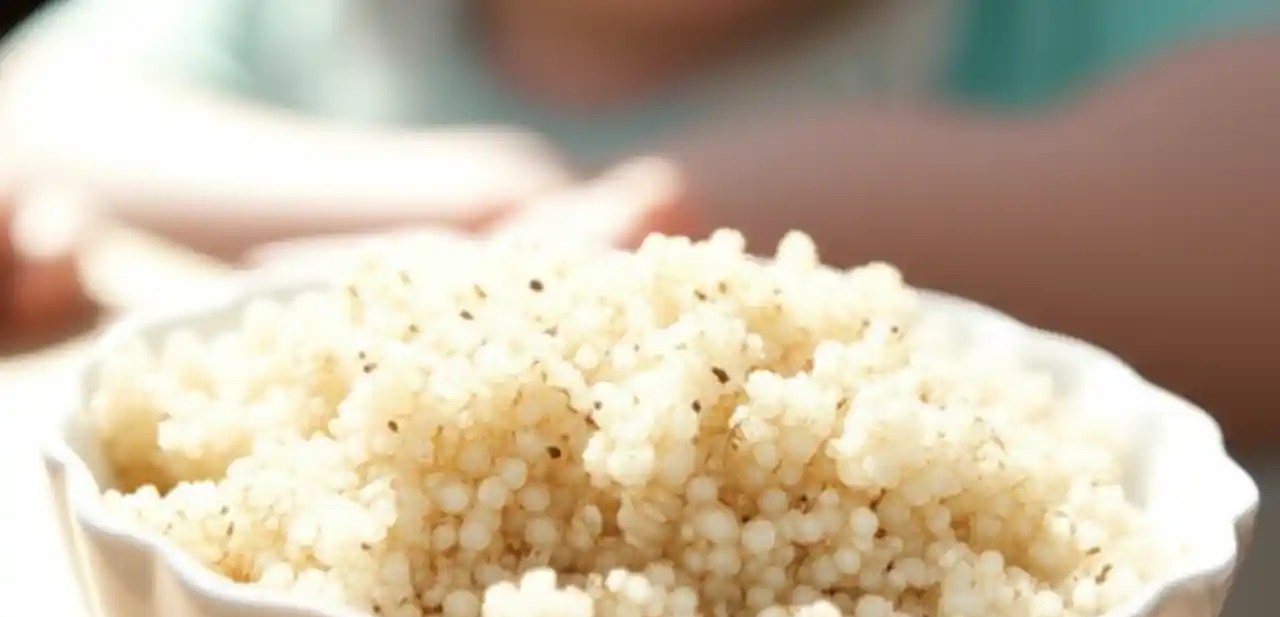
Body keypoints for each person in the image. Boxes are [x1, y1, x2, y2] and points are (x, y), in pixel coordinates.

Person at [1, 0, 1277, 443]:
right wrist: (474, 199)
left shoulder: (1043, 27)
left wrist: (658, 224)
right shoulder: (326, 28)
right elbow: (41, 113)